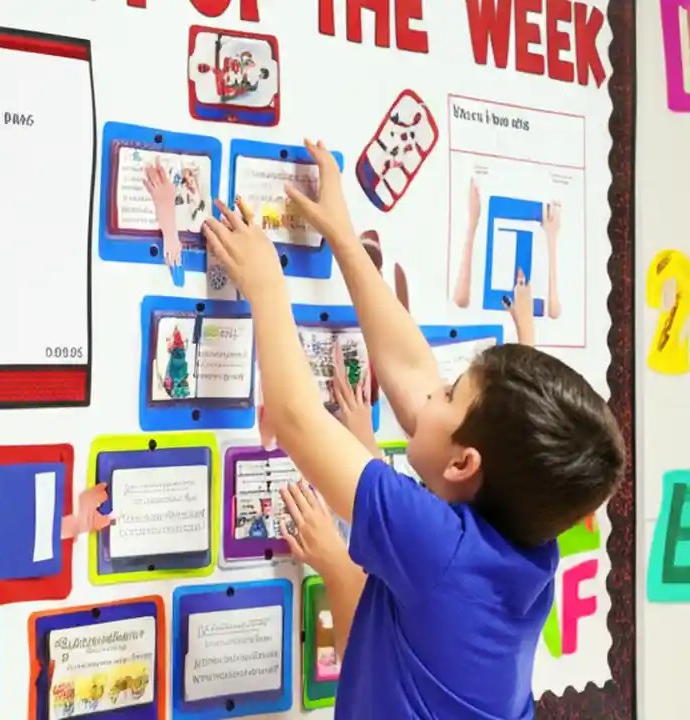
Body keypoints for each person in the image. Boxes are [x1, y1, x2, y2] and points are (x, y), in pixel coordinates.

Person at [201, 139, 624, 719]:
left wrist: (267, 281)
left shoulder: (440, 547)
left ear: (462, 464)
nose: (433, 392)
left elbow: (299, 420)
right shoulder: (526, 546)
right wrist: (346, 242)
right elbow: (410, 374)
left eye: (451, 395)